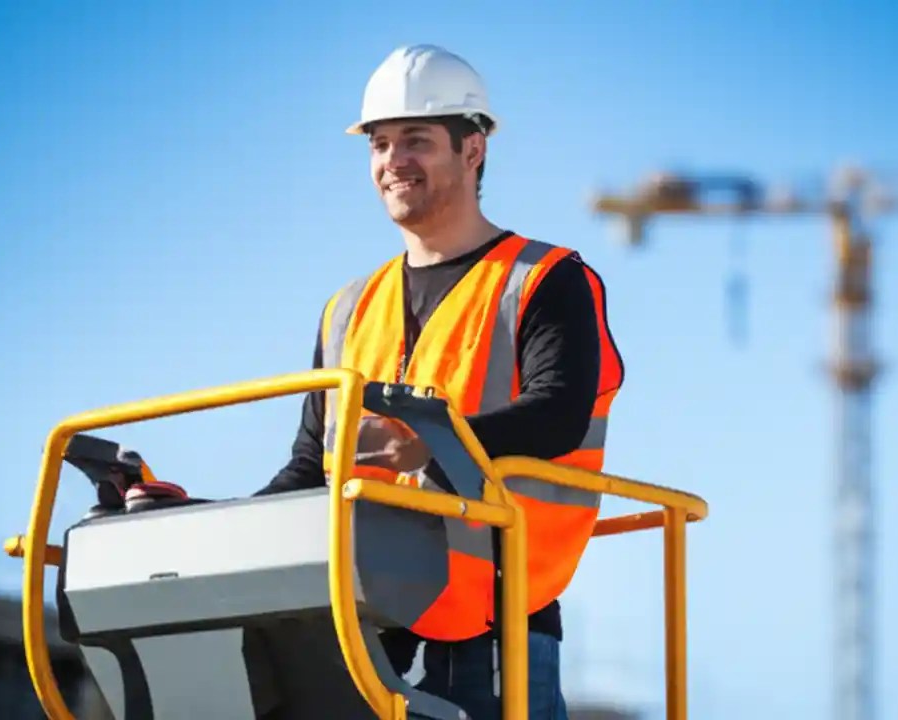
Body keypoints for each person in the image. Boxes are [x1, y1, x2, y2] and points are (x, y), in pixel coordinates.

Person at [252, 44, 625, 720]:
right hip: (360, 634)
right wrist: (196, 522)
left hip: (495, 634)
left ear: (473, 149)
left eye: (416, 140)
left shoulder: (545, 280)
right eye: (380, 144)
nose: (394, 161)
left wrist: (429, 446)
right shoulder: (348, 311)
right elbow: (311, 468)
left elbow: (558, 413)